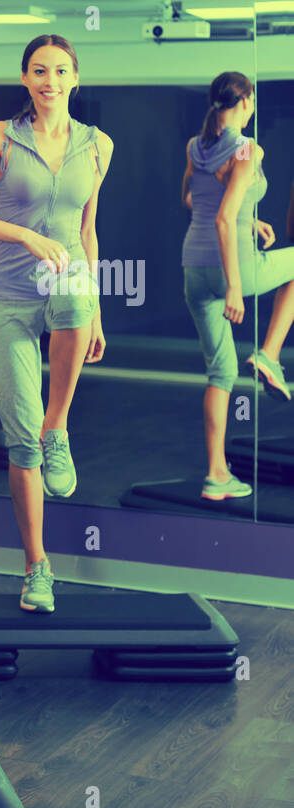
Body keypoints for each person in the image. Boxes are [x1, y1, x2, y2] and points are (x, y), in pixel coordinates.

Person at [0, 35, 112, 614]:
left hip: (68, 287)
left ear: (75, 78)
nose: (50, 81)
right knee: (21, 440)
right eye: (39, 71)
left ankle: (57, 427)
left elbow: (86, 233)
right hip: (10, 292)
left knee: (73, 296)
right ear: (25, 78)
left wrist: (98, 309)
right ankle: (37, 566)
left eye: (61, 71)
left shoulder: (97, 146)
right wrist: (25, 235)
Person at [181, 72, 294, 502]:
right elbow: (224, 218)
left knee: (221, 372)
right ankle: (268, 354)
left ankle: (216, 476)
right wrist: (234, 287)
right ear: (245, 100)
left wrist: (253, 219)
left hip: (193, 267)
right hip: (233, 268)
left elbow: (192, 200)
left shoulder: (197, 145)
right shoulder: (248, 148)